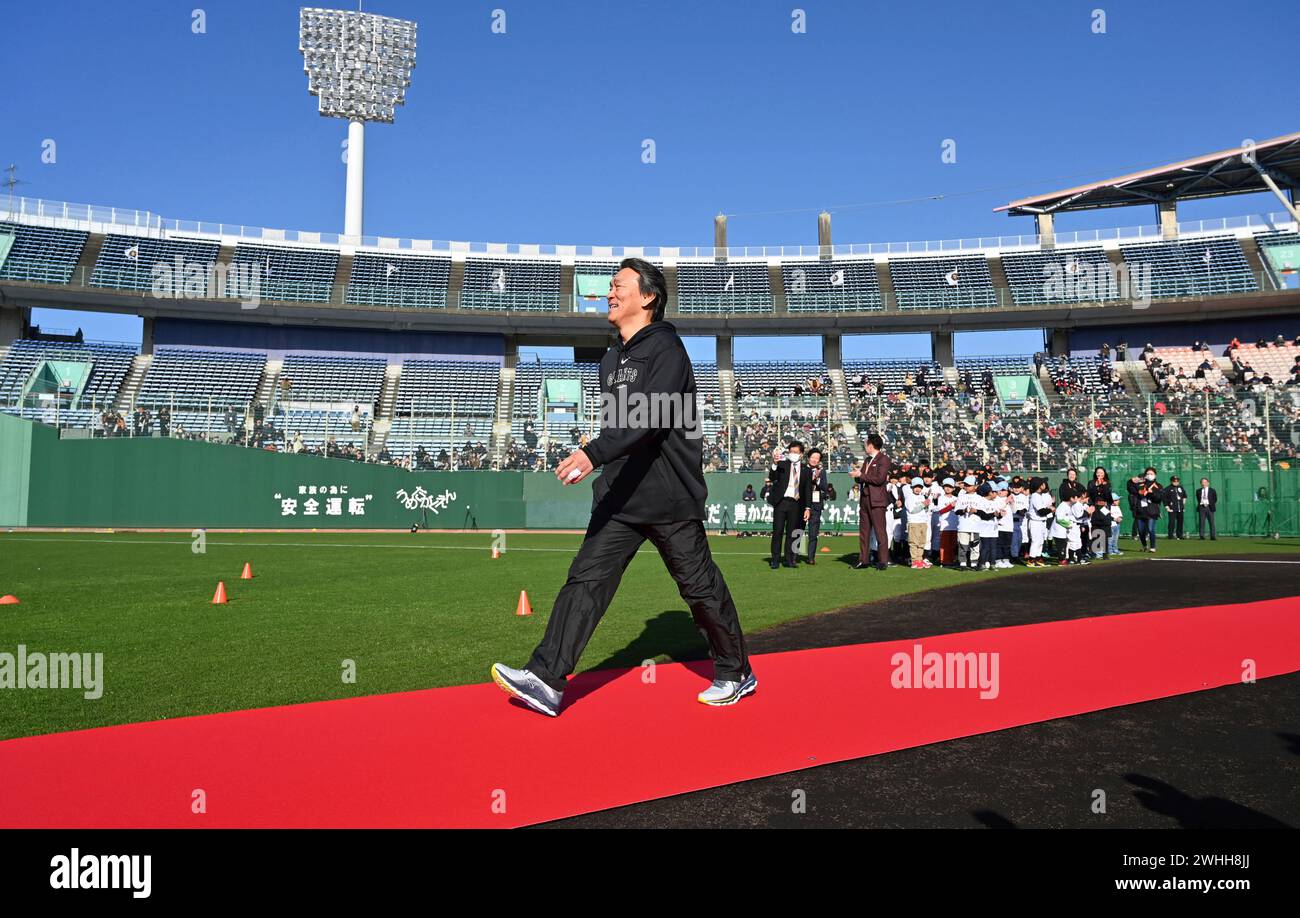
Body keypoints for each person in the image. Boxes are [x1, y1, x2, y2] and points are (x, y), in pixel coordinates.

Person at [491, 258, 754, 716]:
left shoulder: (667, 350)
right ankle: (547, 679)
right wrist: (599, 459)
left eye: (618, 287)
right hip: (620, 495)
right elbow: (621, 426)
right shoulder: (611, 357)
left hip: (668, 495)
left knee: (697, 587)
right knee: (585, 580)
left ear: (647, 297)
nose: (609, 294)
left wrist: (593, 453)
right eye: (609, 287)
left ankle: (735, 670)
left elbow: (652, 420)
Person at [766, 441, 812, 569]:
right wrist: (774, 464)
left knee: (792, 532)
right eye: (791, 452)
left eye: (796, 452)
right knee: (778, 531)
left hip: (796, 504)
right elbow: (772, 476)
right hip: (781, 502)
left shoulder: (806, 470)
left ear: (801, 454)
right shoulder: (782, 465)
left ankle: (789, 559)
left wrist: (808, 508)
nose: (793, 454)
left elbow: (808, 490)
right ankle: (775, 560)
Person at [850, 433, 891, 570]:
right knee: (864, 531)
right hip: (865, 499)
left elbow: (880, 479)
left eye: (866, 444)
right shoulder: (867, 460)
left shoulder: (883, 459)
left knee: (880, 531)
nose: (865, 446)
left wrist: (861, 475)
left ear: (871, 445)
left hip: (877, 500)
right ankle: (863, 560)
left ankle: (883, 560)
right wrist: (857, 475)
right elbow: (862, 478)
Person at [803, 447, 831, 564]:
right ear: (808, 457)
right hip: (802, 504)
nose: (814, 460)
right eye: (813, 457)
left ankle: (811, 557)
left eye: (817, 458)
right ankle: (792, 556)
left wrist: (818, 480)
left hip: (816, 504)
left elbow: (825, 487)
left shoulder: (822, 471)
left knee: (813, 533)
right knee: (797, 530)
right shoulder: (802, 469)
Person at [1133, 467, 1164, 553]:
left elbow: (1159, 498)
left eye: (1151, 474)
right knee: (1141, 531)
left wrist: (1152, 493)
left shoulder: (1158, 486)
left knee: (1151, 529)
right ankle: (1144, 546)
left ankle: (1153, 547)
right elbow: (1135, 494)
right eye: (1148, 474)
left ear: (1155, 475)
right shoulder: (1141, 485)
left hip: (1152, 511)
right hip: (1141, 511)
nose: (1149, 475)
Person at [905, 477, 932, 569]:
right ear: (912, 487)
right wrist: (924, 504)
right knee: (914, 542)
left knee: (922, 542)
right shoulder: (909, 497)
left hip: (923, 522)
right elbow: (912, 510)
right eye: (915, 487)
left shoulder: (922, 496)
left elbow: (925, 509)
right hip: (914, 522)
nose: (917, 489)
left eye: (920, 487)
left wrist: (927, 505)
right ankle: (914, 561)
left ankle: (919, 559)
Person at [1164, 475, 1188, 540]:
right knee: (1172, 522)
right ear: (1171, 481)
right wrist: (1167, 507)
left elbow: (1184, 496)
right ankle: (1170, 535)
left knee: (1180, 522)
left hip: (1180, 508)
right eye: (1174, 481)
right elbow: (1164, 499)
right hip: (1172, 508)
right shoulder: (1167, 489)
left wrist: (1183, 505)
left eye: (1177, 481)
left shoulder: (1181, 488)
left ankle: (1179, 535)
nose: (1176, 482)